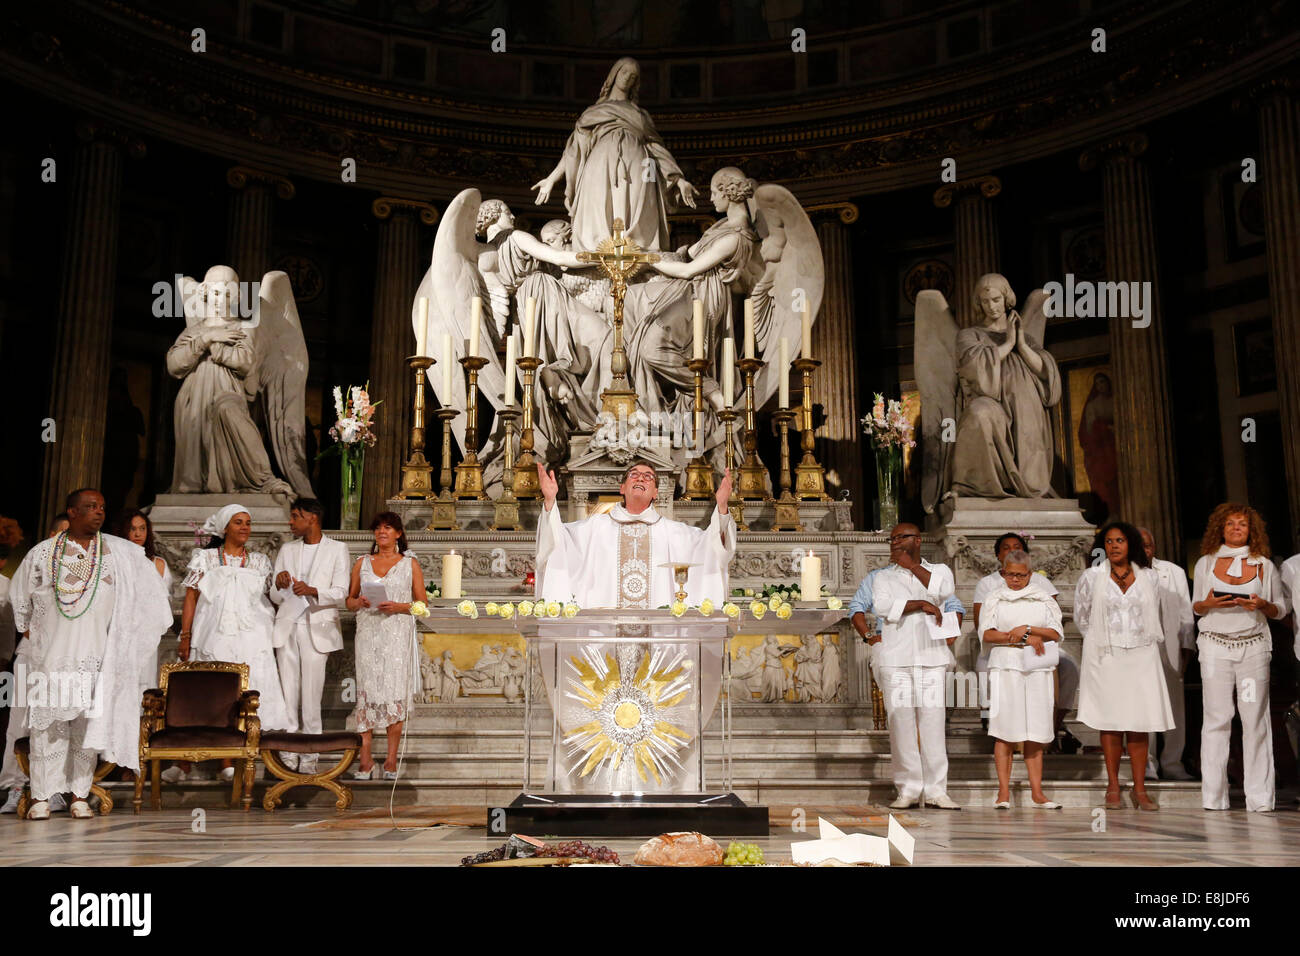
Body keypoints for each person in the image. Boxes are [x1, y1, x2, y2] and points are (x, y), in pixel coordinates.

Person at [8, 489, 171, 819]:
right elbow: (20, 598)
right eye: (90, 507)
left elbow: (152, 594)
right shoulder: (43, 553)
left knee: (85, 729)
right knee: (48, 728)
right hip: (51, 656)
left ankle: (79, 795)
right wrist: (33, 629)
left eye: (101, 507)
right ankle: (42, 796)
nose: (98, 512)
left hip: (97, 658)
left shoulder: (118, 553)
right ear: (71, 511)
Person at [167, 503, 289, 784]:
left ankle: (235, 758)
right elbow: (191, 598)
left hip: (251, 635)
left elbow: (267, 598)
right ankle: (189, 761)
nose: (245, 527)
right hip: (214, 633)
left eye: (248, 522)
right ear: (224, 528)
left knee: (245, 693)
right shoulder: (206, 558)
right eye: (238, 522)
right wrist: (185, 636)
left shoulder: (259, 561)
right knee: (209, 693)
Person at [530, 56, 697, 253]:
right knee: (600, 208)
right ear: (614, 74)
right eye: (625, 72)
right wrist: (551, 179)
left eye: (634, 76)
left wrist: (678, 180)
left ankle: (637, 251)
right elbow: (574, 151)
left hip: (640, 164)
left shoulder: (641, 115)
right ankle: (597, 252)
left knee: (638, 208)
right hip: (600, 162)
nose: (628, 78)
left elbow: (655, 148)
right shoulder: (593, 112)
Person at [1191, 503, 1288, 812]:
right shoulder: (1206, 563)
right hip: (1215, 649)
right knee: (1217, 719)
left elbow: (1281, 608)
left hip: (1252, 649)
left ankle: (1259, 798)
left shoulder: (1264, 564)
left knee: (1254, 720)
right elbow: (1196, 606)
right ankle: (1214, 797)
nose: (1236, 528)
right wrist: (1210, 603)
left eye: (1242, 524)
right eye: (1230, 523)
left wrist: (1261, 604)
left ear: (1251, 530)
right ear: (1221, 527)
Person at [535, 461, 735, 608]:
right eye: (634, 474)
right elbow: (556, 541)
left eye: (648, 477)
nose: (641, 478)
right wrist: (550, 501)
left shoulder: (676, 534)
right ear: (622, 488)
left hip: (657, 635)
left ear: (656, 492)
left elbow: (713, 547)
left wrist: (723, 506)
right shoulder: (594, 528)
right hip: (606, 633)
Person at [860, 523, 962, 810]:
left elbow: (943, 592)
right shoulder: (882, 577)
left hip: (931, 656)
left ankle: (936, 790)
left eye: (901, 537)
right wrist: (920, 603)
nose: (894, 542)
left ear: (917, 540)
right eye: (891, 539)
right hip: (896, 657)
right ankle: (907, 788)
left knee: (932, 723)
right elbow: (881, 607)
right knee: (901, 723)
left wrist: (913, 568)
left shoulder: (939, 570)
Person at [1076, 521, 1173, 811]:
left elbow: (1154, 613)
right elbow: (1083, 618)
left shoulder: (1150, 577)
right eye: (1109, 541)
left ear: (1129, 543)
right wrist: (1102, 643)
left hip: (1142, 653)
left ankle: (1140, 789)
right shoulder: (1092, 577)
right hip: (1107, 655)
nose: (1114, 546)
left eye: (1119, 540)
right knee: (1111, 722)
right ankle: (1114, 786)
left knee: (1140, 722)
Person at [970, 532, 1080, 752]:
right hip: (1002, 648)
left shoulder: (1041, 584)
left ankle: (1051, 730)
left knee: (1069, 668)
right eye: (1006, 547)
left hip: (1039, 647)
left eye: (1017, 546)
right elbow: (983, 627)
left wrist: (1030, 632)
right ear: (998, 556)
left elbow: (1054, 623)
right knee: (986, 670)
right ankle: (1001, 730)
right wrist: (1022, 637)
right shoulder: (989, 586)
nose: (1011, 550)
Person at [1, 514, 75, 814]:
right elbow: (21, 612)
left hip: (67, 657)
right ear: (50, 534)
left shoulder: (84, 572)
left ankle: (53, 786)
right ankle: (14, 785)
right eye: (61, 533)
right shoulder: (35, 564)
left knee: (57, 721)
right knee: (19, 722)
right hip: (33, 654)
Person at [269, 498, 350, 774]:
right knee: (288, 693)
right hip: (288, 625)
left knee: (312, 696)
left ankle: (311, 754)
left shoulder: (337, 549)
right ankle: (289, 749)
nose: (291, 522)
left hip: (318, 628)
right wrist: (278, 585)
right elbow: (274, 595)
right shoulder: (287, 549)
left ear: (312, 518)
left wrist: (314, 590)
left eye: (295, 516)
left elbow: (341, 591)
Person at [979, 549, 1063, 809]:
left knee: (1034, 730)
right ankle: (1003, 793)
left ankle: (1037, 792)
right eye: (1011, 575)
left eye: (1021, 575)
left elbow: (1056, 632)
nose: (1015, 580)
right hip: (1006, 666)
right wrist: (1025, 638)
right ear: (1003, 572)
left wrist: (1028, 629)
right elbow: (987, 634)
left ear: (1030, 574)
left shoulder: (1042, 598)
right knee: (1004, 730)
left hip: (1037, 667)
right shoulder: (995, 598)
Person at [346, 512, 425, 780]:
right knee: (367, 690)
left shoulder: (409, 564)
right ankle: (365, 759)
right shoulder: (362, 563)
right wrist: (359, 603)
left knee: (394, 691)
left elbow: (422, 605)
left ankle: (391, 760)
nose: (382, 532)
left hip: (396, 633)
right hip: (369, 632)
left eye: (388, 528)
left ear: (398, 534)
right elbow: (350, 599)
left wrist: (400, 606)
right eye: (378, 528)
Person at [1139, 527, 1195, 781]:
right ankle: (1147, 764)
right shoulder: (1120, 573)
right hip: (1139, 648)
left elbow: (1186, 613)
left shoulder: (1173, 572)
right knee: (1145, 708)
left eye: (1148, 545)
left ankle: (1173, 763)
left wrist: (1186, 647)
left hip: (1169, 647)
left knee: (1173, 708)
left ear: (1154, 547)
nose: (1145, 550)